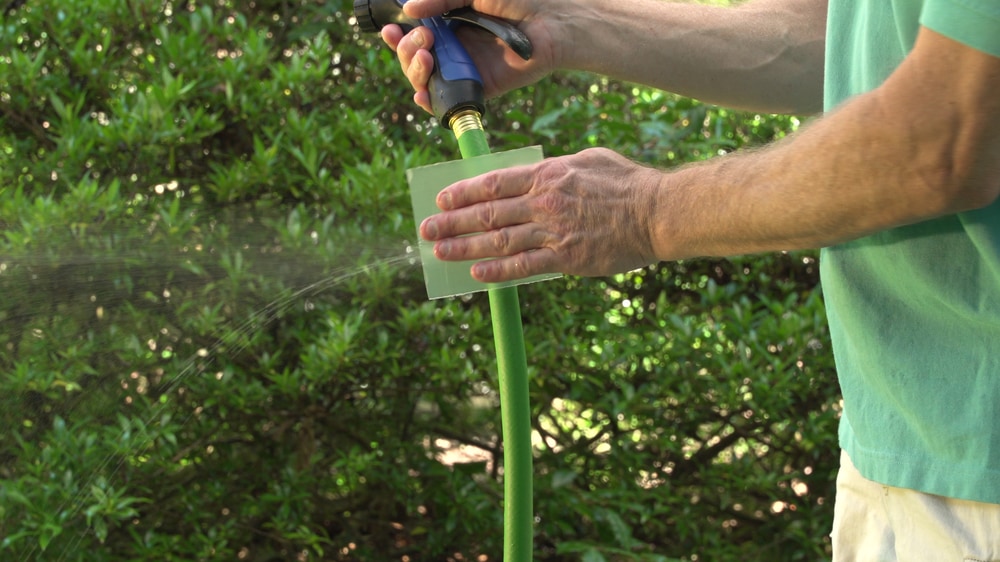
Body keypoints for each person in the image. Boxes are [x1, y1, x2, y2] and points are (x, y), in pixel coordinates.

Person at [382, 0, 1000, 558]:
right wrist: (563, 24)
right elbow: (836, 36)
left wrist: (644, 212)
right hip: (895, 448)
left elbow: (945, 137)